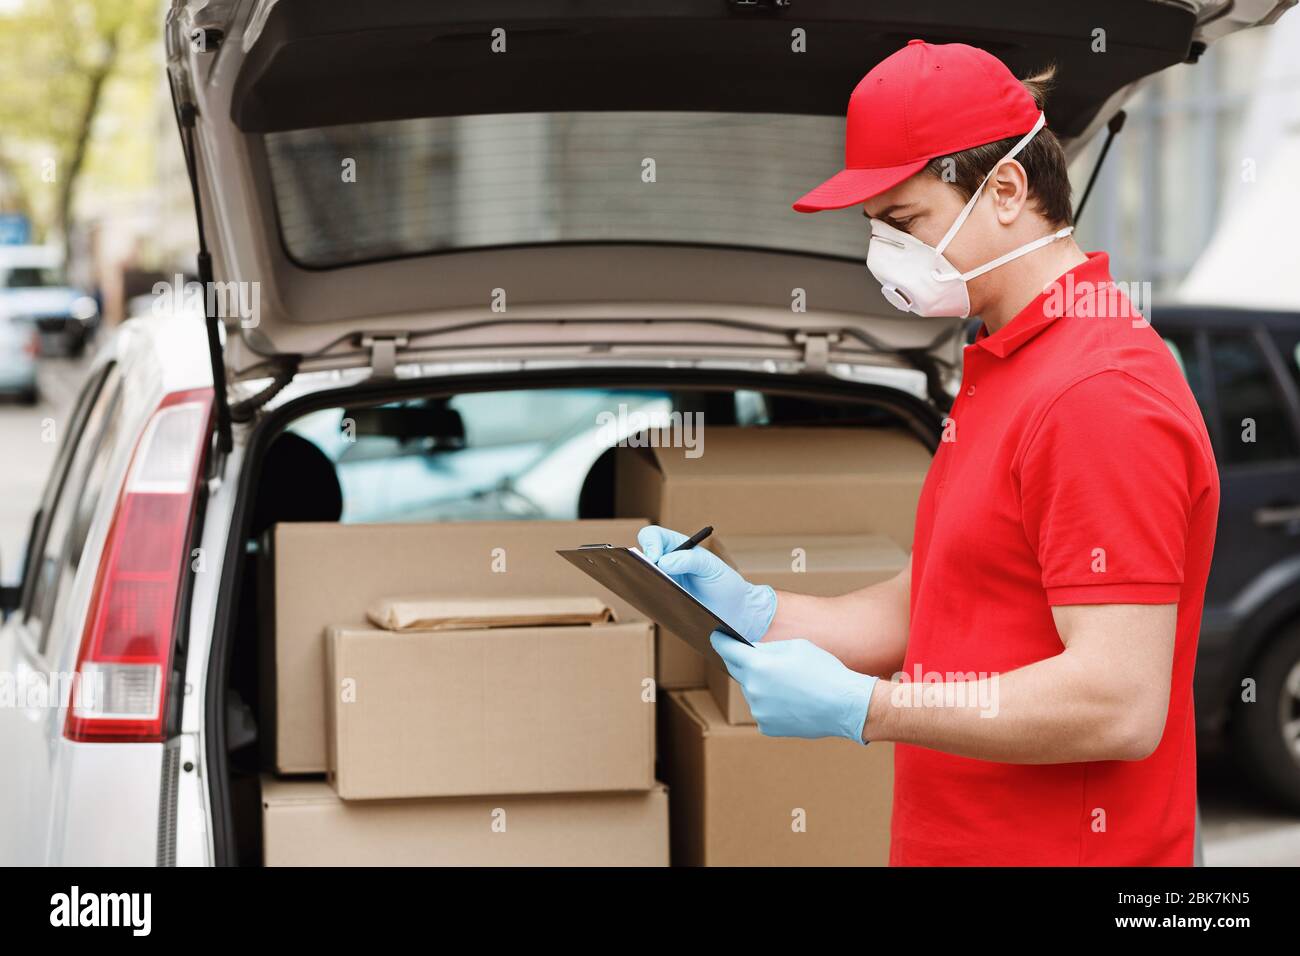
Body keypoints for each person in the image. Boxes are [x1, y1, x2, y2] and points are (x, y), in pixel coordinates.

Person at [639, 39, 1219, 866]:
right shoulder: (1003, 363)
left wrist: (871, 709)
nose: (884, 255)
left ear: (1008, 188)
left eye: (904, 222)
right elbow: (929, 612)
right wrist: (754, 611)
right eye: (875, 228)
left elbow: (1118, 704)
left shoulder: (1097, 392)